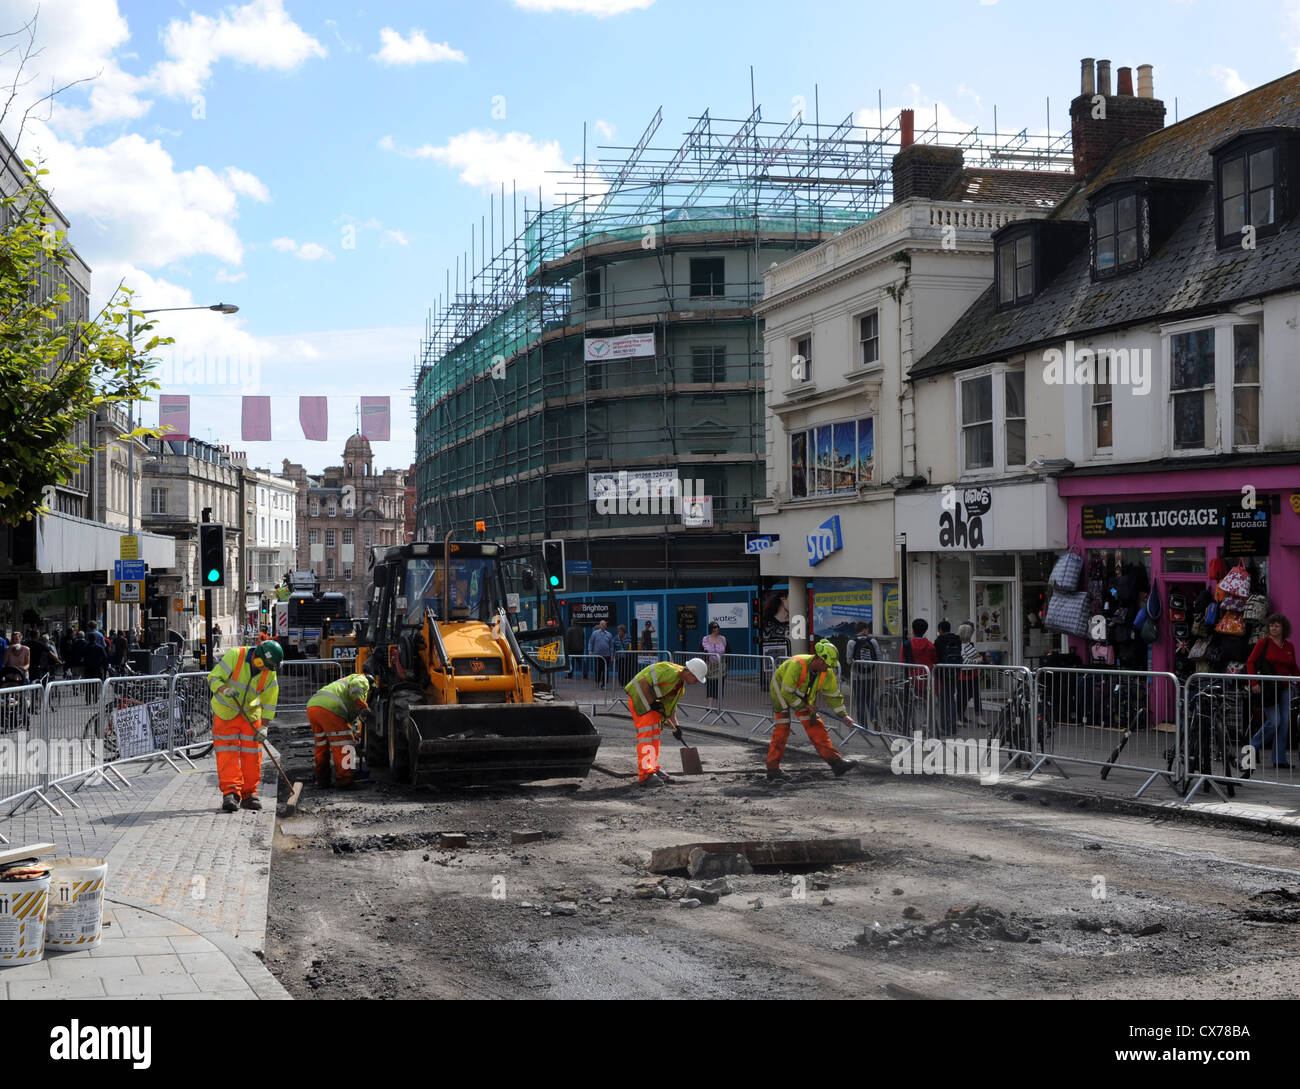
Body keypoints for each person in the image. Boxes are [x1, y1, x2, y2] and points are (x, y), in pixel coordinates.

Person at [766, 639, 859, 781]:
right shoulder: (797, 665)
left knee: (815, 725)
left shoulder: (826, 673)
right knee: (782, 728)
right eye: (828, 664)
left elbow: (833, 696)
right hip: (781, 691)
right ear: (820, 660)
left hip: (802, 695)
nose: (829, 668)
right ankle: (773, 769)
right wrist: (803, 706)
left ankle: (836, 763)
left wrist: (844, 716)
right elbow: (787, 692)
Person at [208, 639, 283, 812]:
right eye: (264, 666)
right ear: (257, 657)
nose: (265, 670)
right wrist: (223, 689)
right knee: (227, 754)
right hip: (225, 713)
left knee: (252, 754)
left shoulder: (269, 671)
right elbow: (213, 678)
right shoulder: (236, 655)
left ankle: (249, 794)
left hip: (250, 714)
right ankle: (231, 793)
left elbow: (270, 701)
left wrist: (264, 726)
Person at [625, 657, 707, 785]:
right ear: (690, 673)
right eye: (696, 679)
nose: (696, 682)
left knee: (655, 736)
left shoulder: (680, 687)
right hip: (640, 699)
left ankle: (652, 768)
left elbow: (670, 708)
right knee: (647, 736)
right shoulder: (668, 672)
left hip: (651, 705)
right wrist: (652, 703)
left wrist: (676, 727)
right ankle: (646, 774)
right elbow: (643, 681)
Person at [1246, 614, 1298, 772]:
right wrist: (1253, 683)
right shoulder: (1264, 643)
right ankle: (1252, 746)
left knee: (1284, 723)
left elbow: (1293, 667)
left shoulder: (1289, 646)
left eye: (1277, 626)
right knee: (1275, 721)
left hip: (1285, 687)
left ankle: (1279, 759)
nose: (1273, 628)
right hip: (1268, 688)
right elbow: (1250, 662)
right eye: (1271, 625)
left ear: (1283, 628)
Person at [306, 673, 372, 789]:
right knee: (345, 745)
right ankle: (346, 780)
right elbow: (357, 687)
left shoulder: (343, 684)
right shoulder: (362, 679)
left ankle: (322, 779)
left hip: (313, 707)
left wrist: (354, 734)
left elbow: (347, 721)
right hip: (331, 708)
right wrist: (362, 705)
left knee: (321, 745)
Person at [845, 621, 880, 725]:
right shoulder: (873, 641)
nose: (868, 631)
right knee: (870, 698)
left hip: (857, 677)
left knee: (860, 701)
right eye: (867, 629)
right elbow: (878, 658)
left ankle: (863, 725)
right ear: (864, 629)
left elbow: (849, 660)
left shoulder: (851, 642)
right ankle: (874, 719)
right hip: (871, 676)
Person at [933, 620, 964, 734]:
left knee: (943, 699)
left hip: (943, 672)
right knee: (951, 698)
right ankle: (953, 725)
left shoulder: (939, 640)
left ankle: (945, 727)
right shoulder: (957, 639)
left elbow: (935, 655)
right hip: (955, 671)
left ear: (940, 629)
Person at [957, 622, 988, 728]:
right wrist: (977, 660)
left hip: (972, 674)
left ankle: (978, 717)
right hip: (964, 674)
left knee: (975, 697)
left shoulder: (968, 645)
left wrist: (977, 659)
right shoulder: (961, 646)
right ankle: (960, 718)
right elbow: (965, 661)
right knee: (963, 697)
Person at [701, 621, 728, 710]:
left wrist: (727, 663)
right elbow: (700, 651)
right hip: (710, 666)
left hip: (721, 666)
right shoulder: (705, 639)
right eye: (715, 627)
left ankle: (718, 705)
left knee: (720, 684)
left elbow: (728, 651)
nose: (717, 629)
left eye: (717, 627)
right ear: (711, 629)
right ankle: (709, 705)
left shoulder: (723, 639)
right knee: (710, 684)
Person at [588, 619, 617, 689]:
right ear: (600, 625)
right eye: (603, 625)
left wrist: (612, 655)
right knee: (598, 670)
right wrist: (590, 651)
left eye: (605, 625)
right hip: (597, 655)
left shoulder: (609, 634)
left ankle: (604, 684)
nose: (604, 626)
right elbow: (590, 642)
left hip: (606, 656)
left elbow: (611, 646)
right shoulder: (595, 633)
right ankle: (597, 682)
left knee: (605, 671)